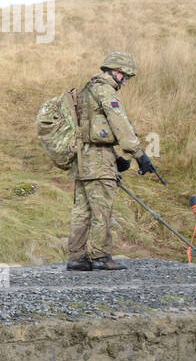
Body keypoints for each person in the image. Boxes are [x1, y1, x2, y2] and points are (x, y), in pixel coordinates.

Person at [67, 52, 157, 272]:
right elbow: (120, 125)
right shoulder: (106, 91)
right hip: (98, 162)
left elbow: (90, 131)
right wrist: (139, 156)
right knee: (101, 208)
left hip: (82, 159)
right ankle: (100, 256)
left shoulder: (85, 91)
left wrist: (116, 159)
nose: (126, 81)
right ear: (116, 72)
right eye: (125, 76)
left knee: (82, 209)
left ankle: (77, 258)